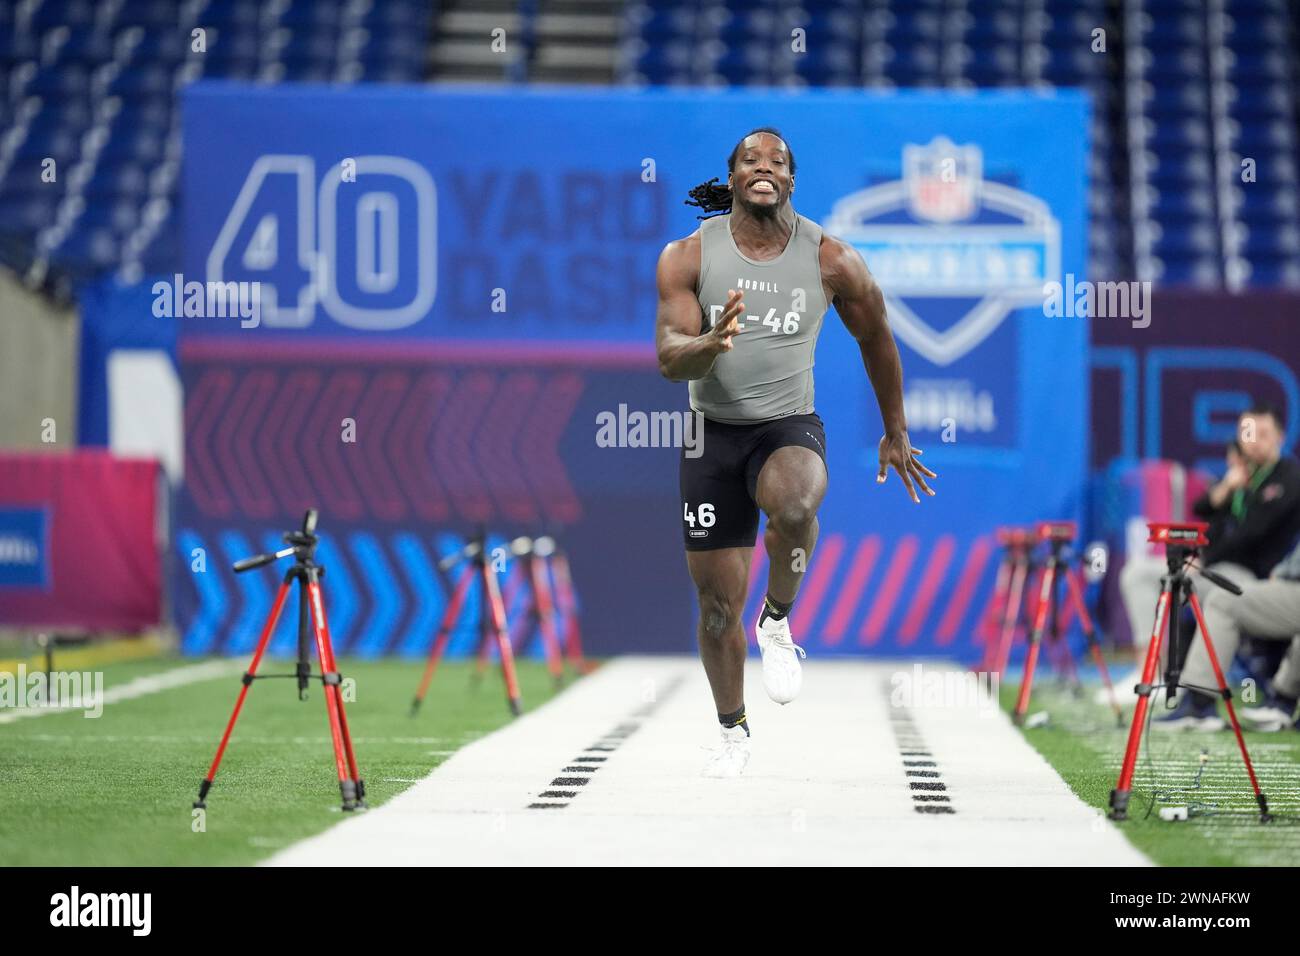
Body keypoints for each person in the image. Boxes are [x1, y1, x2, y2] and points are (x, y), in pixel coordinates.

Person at [654, 128, 936, 777]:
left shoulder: (832, 259)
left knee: (798, 505)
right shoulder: (687, 257)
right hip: (710, 436)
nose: (764, 167)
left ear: (791, 179)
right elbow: (670, 359)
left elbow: (878, 339)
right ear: (731, 178)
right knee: (718, 608)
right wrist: (707, 344)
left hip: (787, 427)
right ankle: (734, 737)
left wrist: (895, 428)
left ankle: (777, 621)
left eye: (777, 161)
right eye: (751, 160)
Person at [1149, 403, 1300, 727]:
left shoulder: (1289, 476)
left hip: (1252, 573)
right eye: (1247, 434)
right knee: (1158, 580)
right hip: (1237, 571)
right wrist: (1229, 487)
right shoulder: (1241, 476)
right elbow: (1202, 509)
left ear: (1280, 437)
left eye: (1263, 434)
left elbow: (1252, 533)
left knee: (1205, 591)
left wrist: (1202, 560)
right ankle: (1161, 677)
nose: (1254, 441)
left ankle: (1196, 697)